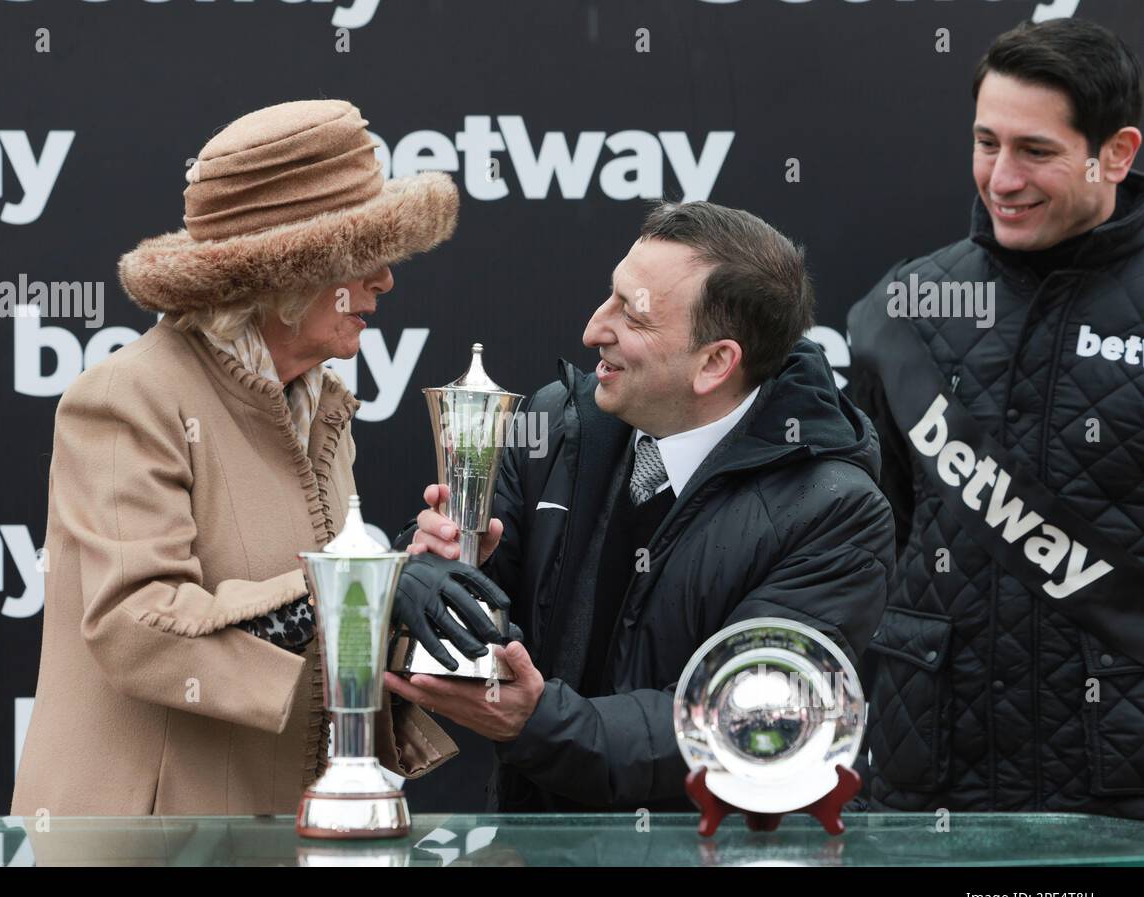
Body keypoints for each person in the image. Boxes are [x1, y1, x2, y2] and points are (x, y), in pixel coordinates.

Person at [11, 99, 505, 816]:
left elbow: (306, 631)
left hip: (275, 832)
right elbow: (138, 628)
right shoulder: (126, 397)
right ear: (292, 275)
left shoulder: (317, 404)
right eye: (365, 255)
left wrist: (414, 573)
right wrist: (372, 583)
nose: (386, 282)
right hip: (148, 850)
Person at [388, 201, 896, 811]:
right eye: (611, 296)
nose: (593, 329)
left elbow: (737, 723)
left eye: (633, 315)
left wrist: (538, 721)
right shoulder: (556, 423)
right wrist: (430, 574)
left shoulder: (836, 513)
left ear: (715, 363)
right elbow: (476, 594)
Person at [846, 19, 1144, 818]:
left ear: (1115, 152)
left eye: (1036, 151)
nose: (1002, 178)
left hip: (1118, 797)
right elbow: (876, 536)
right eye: (986, 143)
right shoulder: (905, 311)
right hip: (932, 788)